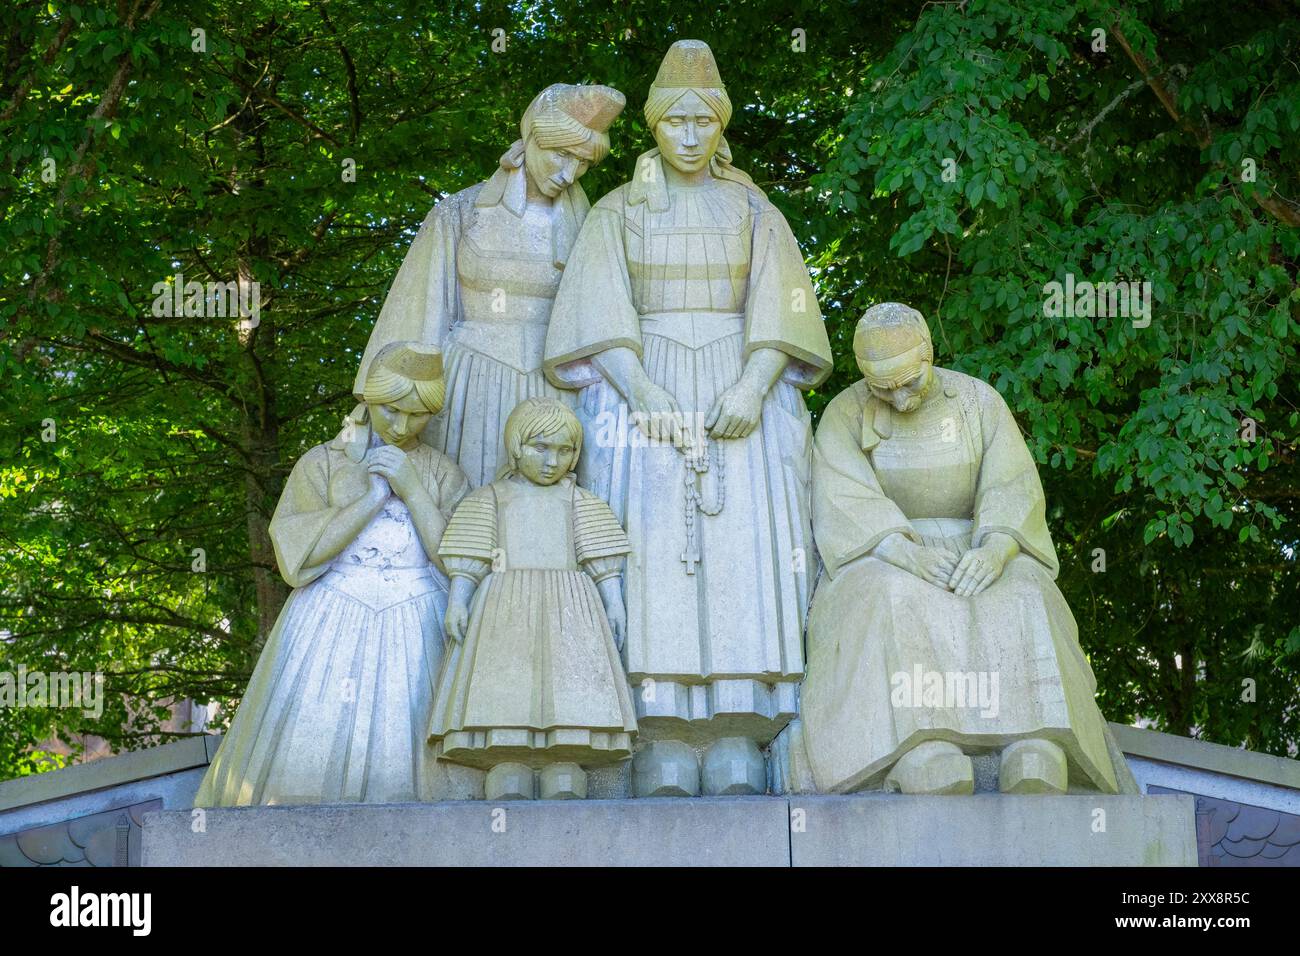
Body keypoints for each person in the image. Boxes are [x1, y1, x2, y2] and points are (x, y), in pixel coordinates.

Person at [543, 41, 832, 796]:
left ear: (721, 124)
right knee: (653, 556)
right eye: (676, 122)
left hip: (743, 391)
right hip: (644, 400)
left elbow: (785, 305)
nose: (692, 136)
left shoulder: (753, 207)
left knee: (746, 554)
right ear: (654, 128)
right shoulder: (616, 212)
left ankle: (742, 732)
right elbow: (597, 313)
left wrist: (755, 382)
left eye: (705, 121)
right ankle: (660, 734)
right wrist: (640, 391)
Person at [798, 303, 1128, 795]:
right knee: (890, 596)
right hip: (883, 552)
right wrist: (903, 551)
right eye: (882, 387)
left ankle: (1033, 745)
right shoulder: (845, 412)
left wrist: (996, 548)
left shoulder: (979, 401)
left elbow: (1012, 484)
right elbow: (841, 497)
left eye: (909, 381)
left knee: (1024, 589)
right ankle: (919, 750)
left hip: (976, 542)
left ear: (929, 353)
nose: (900, 398)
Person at [195, 342, 469, 806]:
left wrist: (413, 490)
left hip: (418, 621)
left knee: (408, 731)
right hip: (328, 617)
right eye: (390, 410)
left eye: (416, 415)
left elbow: (457, 560)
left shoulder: (443, 472)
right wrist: (370, 500)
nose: (401, 426)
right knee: (311, 744)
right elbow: (298, 562)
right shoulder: (321, 463)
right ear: (367, 399)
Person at [353, 83, 625, 487]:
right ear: (531, 137)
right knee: (461, 507)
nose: (570, 173)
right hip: (466, 384)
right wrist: (382, 404)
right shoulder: (460, 213)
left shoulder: (594, 225)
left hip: (557, 389)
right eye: (561, 154)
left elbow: (607, 321)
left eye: (583, 162)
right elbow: (416, 314)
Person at [428, 397, 637, 800]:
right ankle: (508, 763)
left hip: (571, 609)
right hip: (503, 608)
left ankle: (566, 763)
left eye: (564, 450)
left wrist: (614, 601)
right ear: (516, 446)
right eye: (541, 448)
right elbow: (470, 554)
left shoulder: (580, 501)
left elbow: (601, 556)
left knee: (571, 685)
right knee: (506, 685)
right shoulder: (490, 498)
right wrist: (458, 598)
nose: (552, 461)